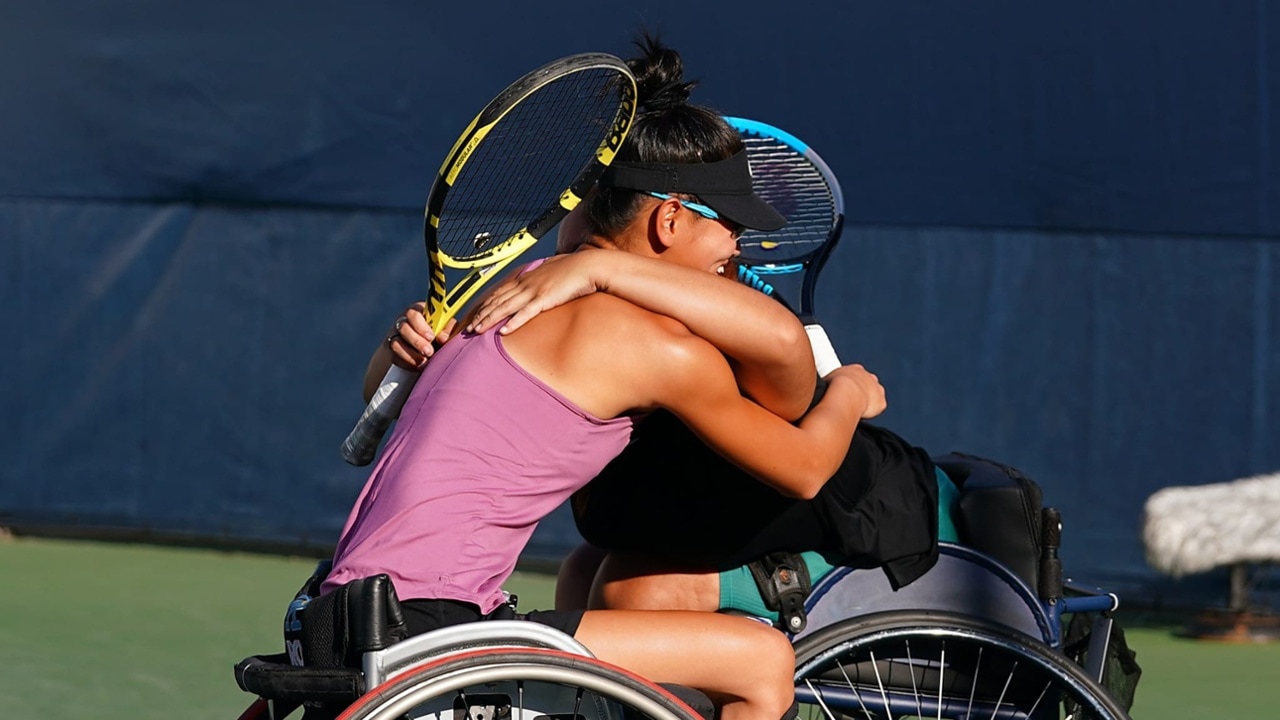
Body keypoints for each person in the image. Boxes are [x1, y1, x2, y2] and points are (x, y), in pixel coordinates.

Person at [330, 36, 887, 720]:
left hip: (342, 617)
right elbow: (802, 462)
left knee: (585, 577)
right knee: (760, 661)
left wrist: (603, 266)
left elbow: (380, 395)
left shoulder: (513, 289)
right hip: (426, 632)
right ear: (672, 218)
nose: (741, 253)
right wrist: (850, 396)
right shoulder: (646, 342)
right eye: (734, 229)